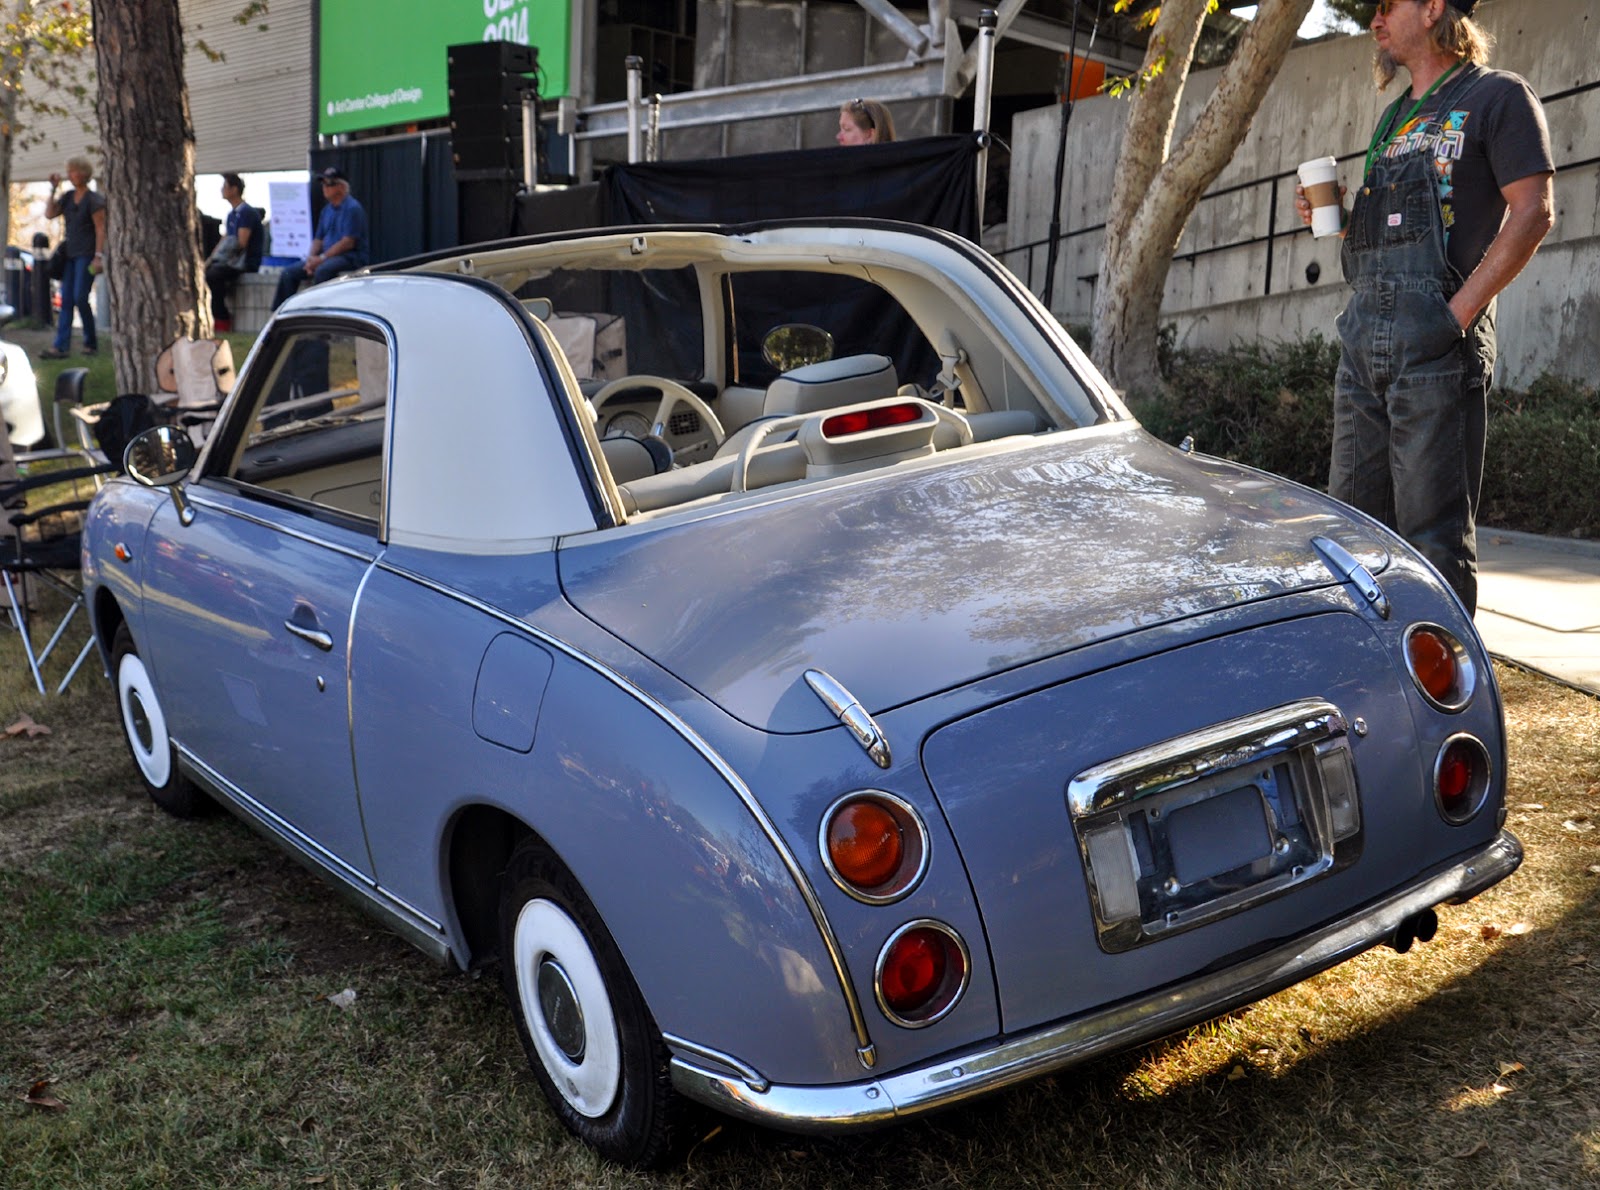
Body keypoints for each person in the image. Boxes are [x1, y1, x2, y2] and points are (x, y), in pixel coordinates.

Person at [1296, 0, 1553, 616]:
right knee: (1353, 542)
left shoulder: (1498, 97)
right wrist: (1335, 221)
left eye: (1386, 6)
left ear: (1433, 6)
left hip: (1437, 348)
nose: (1374, 22)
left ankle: (1444, 702)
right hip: (1363, 348)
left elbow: (1534, 213)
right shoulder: (1391, 121)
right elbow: (1388, 234)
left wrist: (1454, 316)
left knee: (1432, 547)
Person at [271, 166, 369, 310]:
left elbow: (348, 242)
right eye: (323, 184)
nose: (324, 187)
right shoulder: (327, 210)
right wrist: (311, 259)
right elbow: (318, 239)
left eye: (329, 184)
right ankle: (279, 315)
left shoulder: (352, 208)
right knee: (288, 272)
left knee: (322, 270)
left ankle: (319, 315)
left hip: (350, 257)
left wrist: (321, 258)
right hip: (326, 257)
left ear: (341, 187)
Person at [40, 156, 107, 359]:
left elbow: (101, 228)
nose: (72, 175)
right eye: (70, 171)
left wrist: (98, 256)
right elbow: (50, 214)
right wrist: (53, 189)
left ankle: (90, 342)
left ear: (84, 173)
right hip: (69, 255)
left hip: (86, 256)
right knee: (66, 299)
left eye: (76, 171)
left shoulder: (94, 200)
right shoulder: (68, 197)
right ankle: (60, 346)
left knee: (80, 297)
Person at [204, 173, 264, 331]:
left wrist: (220, 258)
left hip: (243, 262)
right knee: (208, 273)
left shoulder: (246, 213)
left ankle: (222, 318)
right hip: (230, 261)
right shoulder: (232, 214)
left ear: (234, 189)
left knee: (213, 276)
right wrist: (210, 260)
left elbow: (241, 242)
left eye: (225, 186)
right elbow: (225, 239)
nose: (222, 190)